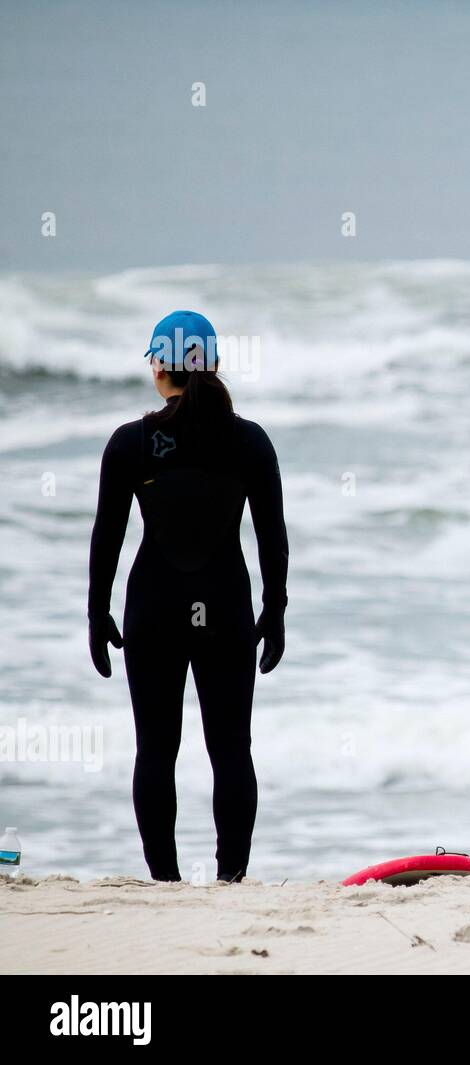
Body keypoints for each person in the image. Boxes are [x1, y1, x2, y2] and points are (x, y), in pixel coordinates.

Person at [87, 311, 287, 883]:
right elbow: (272, 538)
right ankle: (231, 881)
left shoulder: (132, 443)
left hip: (153, 605)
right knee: (230, 750)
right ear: (216, 363)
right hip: (225, 604)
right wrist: (276, 611)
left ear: (158, 366)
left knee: (155, 750)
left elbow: (108, 535)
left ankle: (165, 883)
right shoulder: (249, 441)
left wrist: (96, 611)